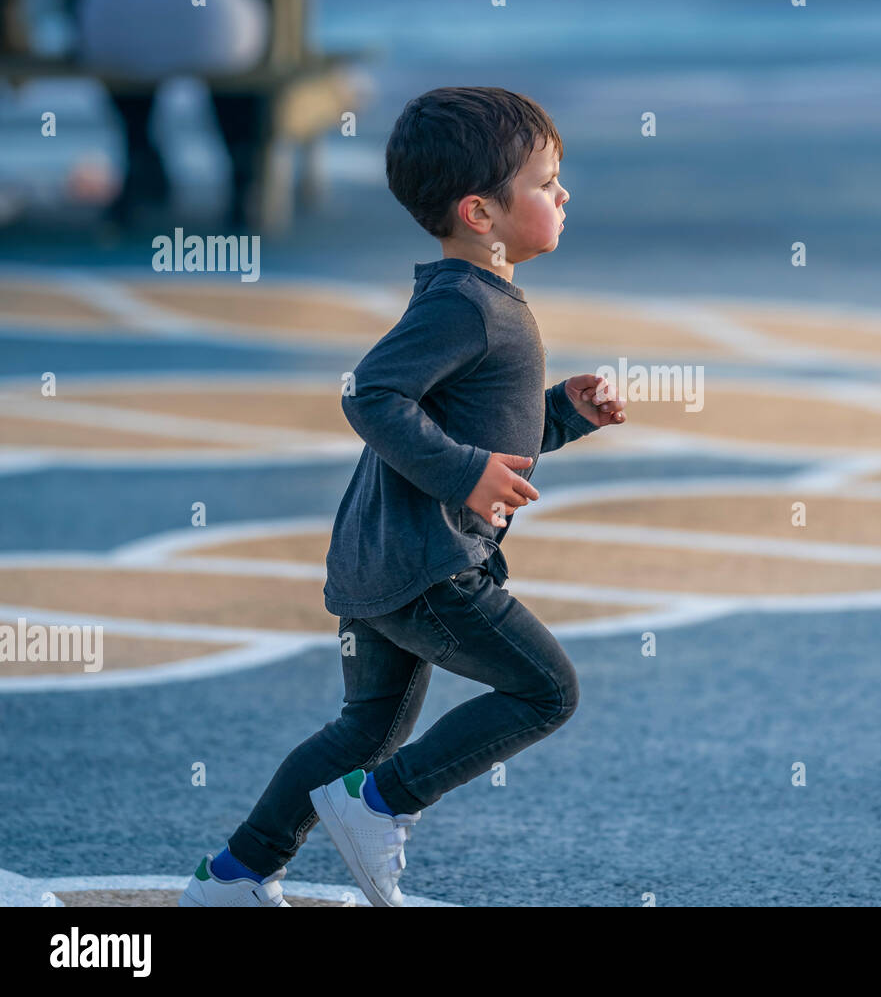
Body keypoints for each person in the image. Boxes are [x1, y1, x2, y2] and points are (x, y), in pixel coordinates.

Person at [180, 87, 629, 907]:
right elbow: (371, 395)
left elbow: (488, 435)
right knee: (545, 690)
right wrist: (465, 477)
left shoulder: (480, 301)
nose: (563, 194)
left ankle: (235, 876)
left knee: (363, 732)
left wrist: (564, 412)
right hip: (429, 567)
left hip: (385, 559)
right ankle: (382, 804)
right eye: (545, 181)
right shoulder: (466, 304)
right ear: (480, 213)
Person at [0, 0, 320, 227]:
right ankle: (243, 172)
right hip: (214, 36)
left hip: (114, 36)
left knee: (121, 33)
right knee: (242, 43)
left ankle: (142, 160)